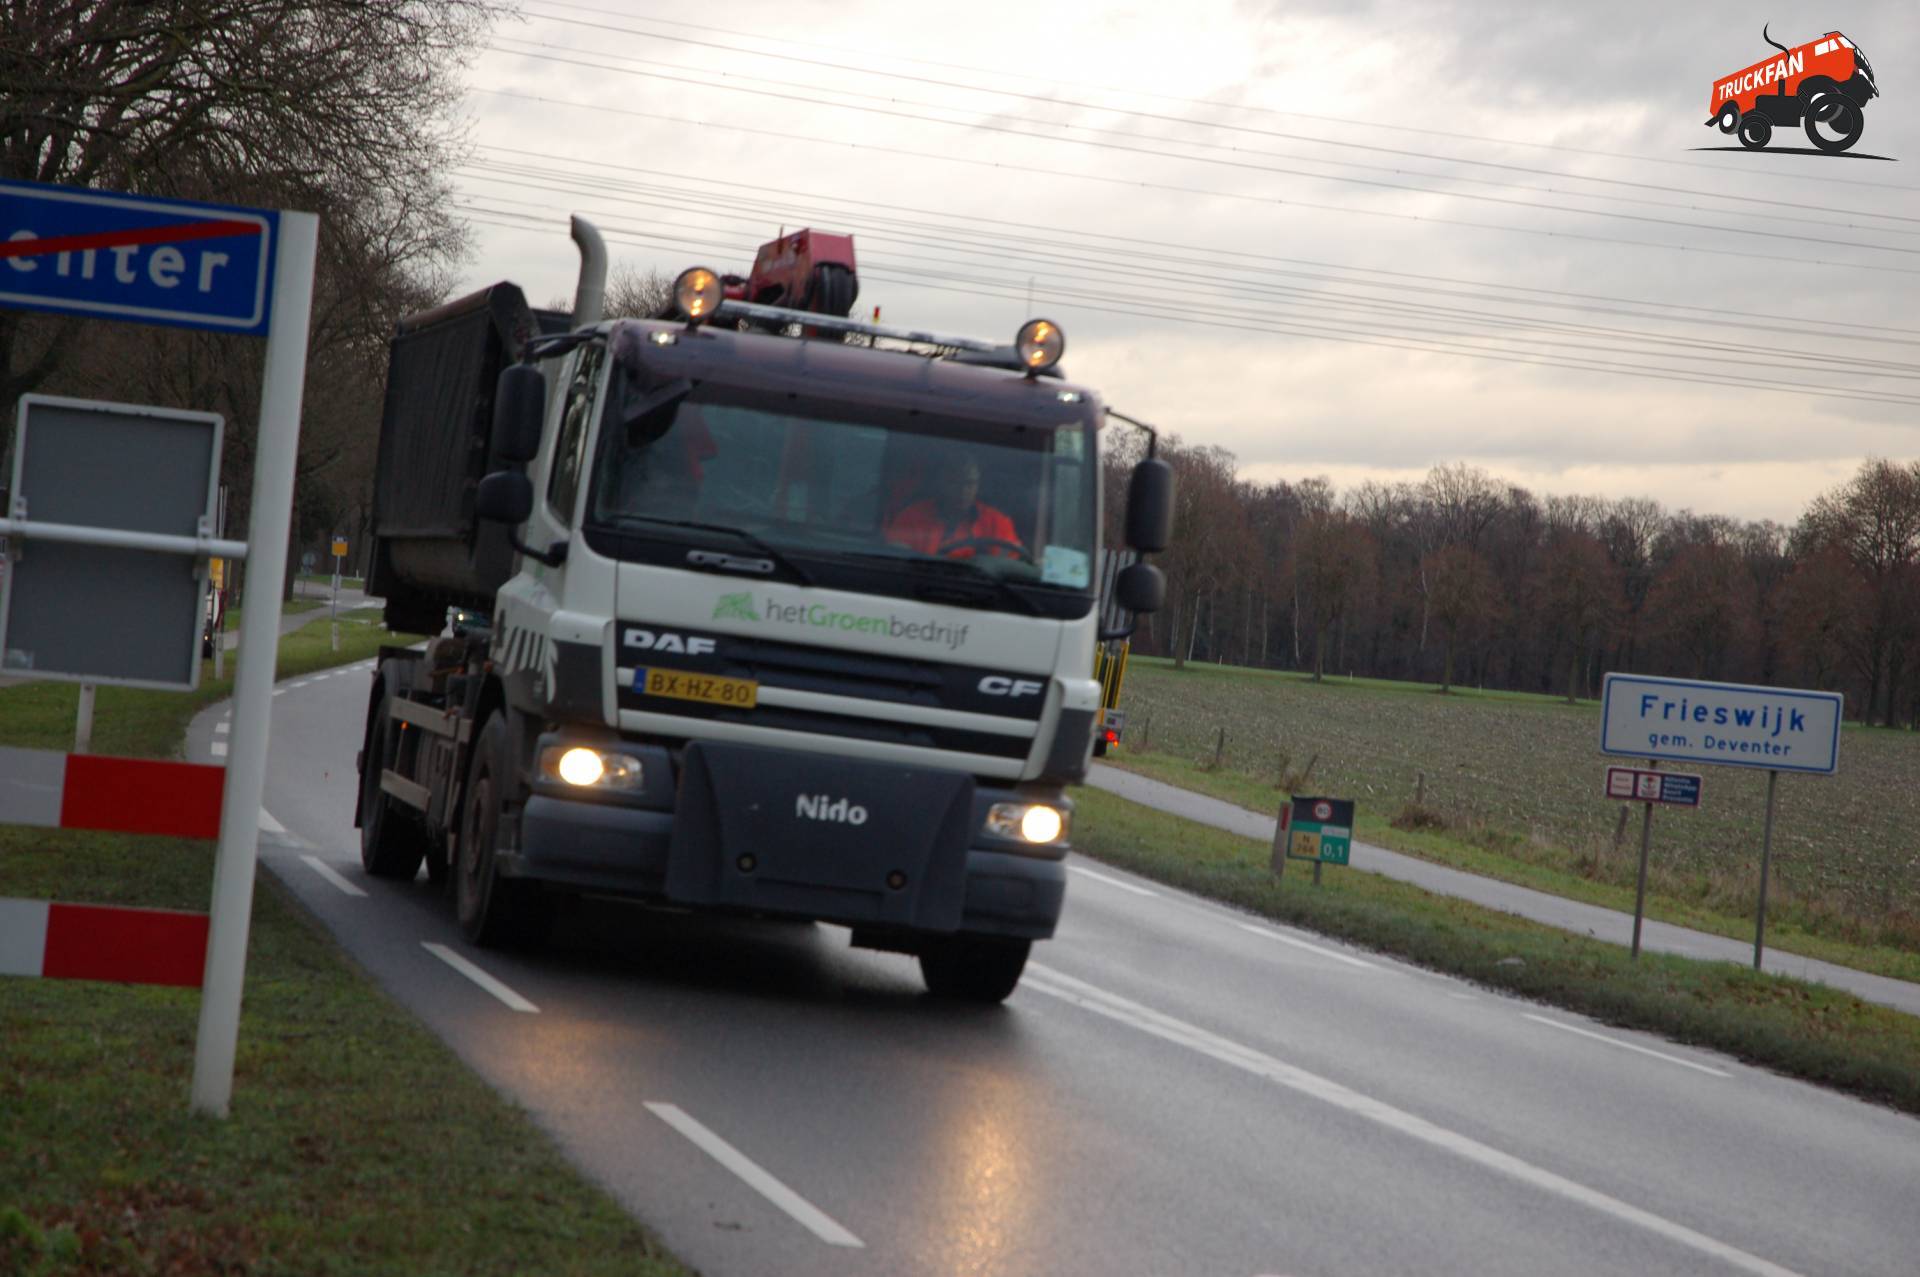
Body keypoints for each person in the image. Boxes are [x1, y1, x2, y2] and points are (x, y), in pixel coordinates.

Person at [882, 455, 1023, 558]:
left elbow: (1012, 565)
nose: (963, 491)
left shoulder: (997, 522)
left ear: (978, 486)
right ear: (941, 483)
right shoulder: (912, 517)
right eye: (955, 483)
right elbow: (895, 559)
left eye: (970, 483)